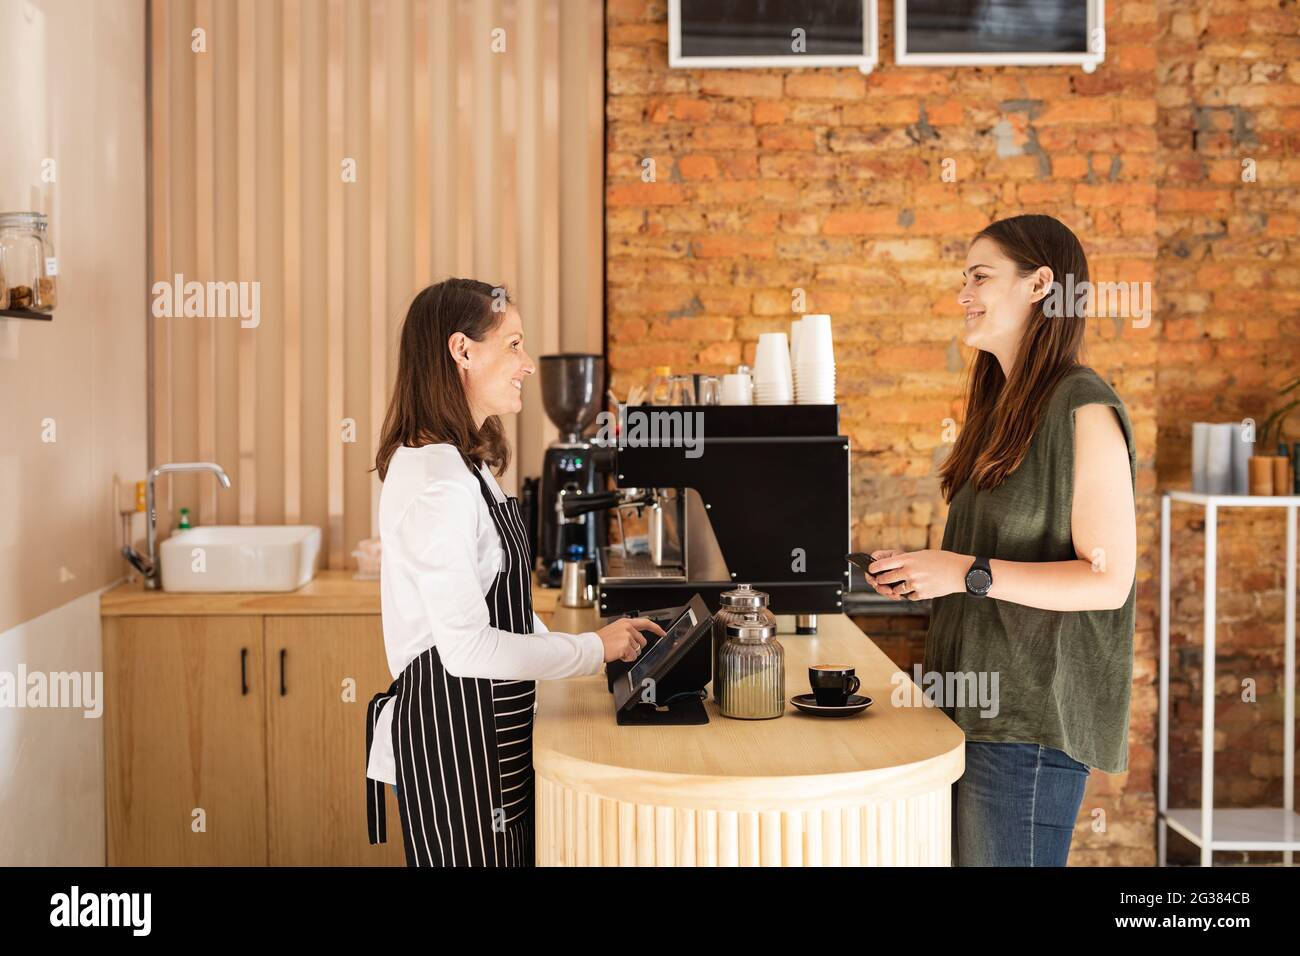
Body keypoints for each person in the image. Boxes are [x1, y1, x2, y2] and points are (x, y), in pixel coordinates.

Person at [863, 214, 1137, 867]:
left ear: (1041, 284)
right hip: (975, 713)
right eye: (964, 278)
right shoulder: (1001, 409)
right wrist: (921, 572)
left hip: (1030, 726)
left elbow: (1107, 579)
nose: (963, 293)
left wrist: (961, 572)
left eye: (980, 276)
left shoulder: (1083, 406)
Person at [363, 278, 664, 866]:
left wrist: (594, 647)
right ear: (462, 351)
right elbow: (468, 650)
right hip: (454, 739)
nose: (526, 364)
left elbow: (506, 612)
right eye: (514, 345)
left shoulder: (462, 463)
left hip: (488, 727)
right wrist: (589, 652)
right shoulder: (437, 481)